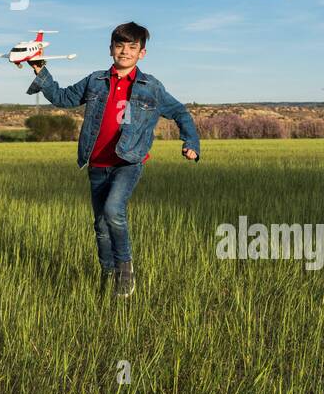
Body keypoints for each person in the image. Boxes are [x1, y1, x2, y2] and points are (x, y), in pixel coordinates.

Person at [27, 22, 199, 298]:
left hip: (128, 162)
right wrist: (40, 70)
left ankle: (125, 270)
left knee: (113, 210)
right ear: (110, 49)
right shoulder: (96, 80)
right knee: (101, 226)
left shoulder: (150, 86)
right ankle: (107, 275)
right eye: (120, 46)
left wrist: (191, 142)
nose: (125, 52)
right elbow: (63, 97)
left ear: (142, 53)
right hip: (96, 162)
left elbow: (180, 112)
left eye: (132, 47)